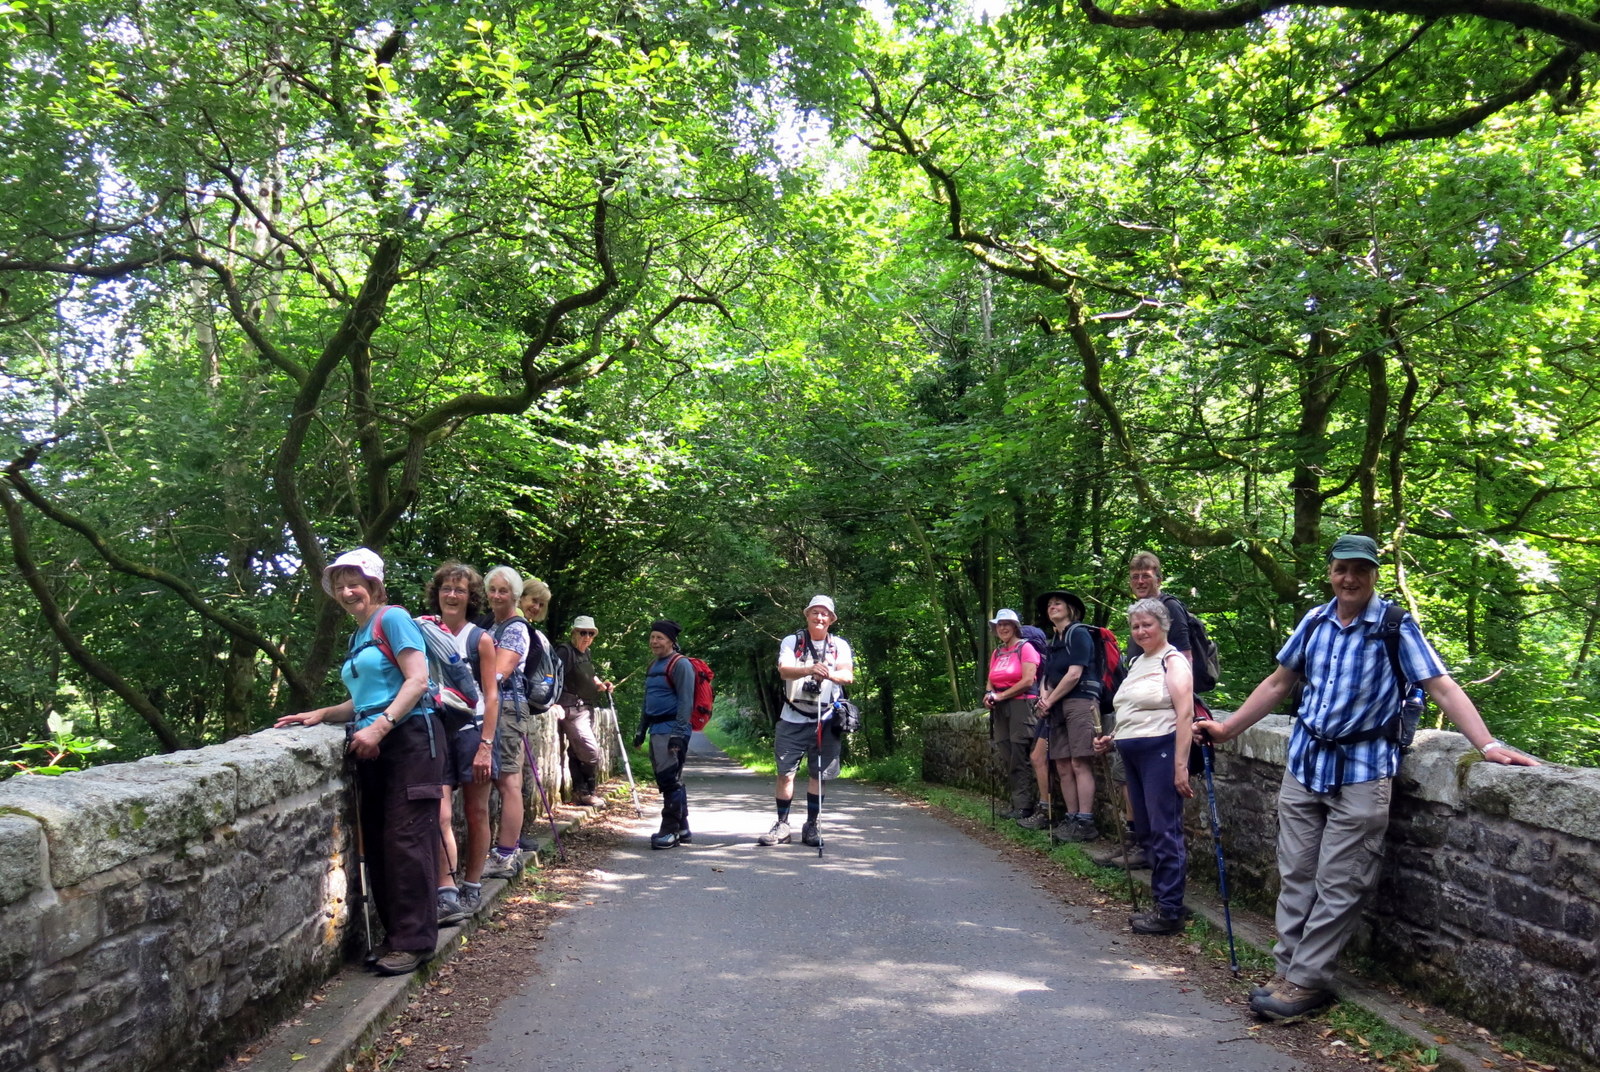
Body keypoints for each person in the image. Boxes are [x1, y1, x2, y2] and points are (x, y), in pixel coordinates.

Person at [1197, 534, 1540, 1020]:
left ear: (1375, 573)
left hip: (1363, 771)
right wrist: (1228, 729)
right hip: (1306, 765)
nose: (1350, 578)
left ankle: (1305, 983)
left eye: (1361, 569)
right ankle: (1287, 969)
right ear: (1331, 572)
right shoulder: (1315, 621)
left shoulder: (1396, 626)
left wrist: (1486, 744)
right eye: (1342, 569)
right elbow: (1278, 682)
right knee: (1296, 875)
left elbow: (1439, 685)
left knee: (1341, 882)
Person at [274, 548, 444, 976]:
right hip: (377, 741)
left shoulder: (393, 619)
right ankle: (395, 936)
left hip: (410, 740)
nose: (348, 590)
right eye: (340, 584)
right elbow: (364, 698)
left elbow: (417, 681)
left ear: (374, 584)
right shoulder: (359, 635)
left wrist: (381, 728)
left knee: (407, 841)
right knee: (382, 842)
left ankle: (415, 942)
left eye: (356, 581)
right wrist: (322, 714)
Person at [1093, 597, 1194, 935]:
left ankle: (1170, 911)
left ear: (1163, 625)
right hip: (1132, 752)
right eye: (1136, 626)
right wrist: (1112, 738)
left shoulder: (1173, 660)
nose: (1140, 630)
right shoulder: (1137, 663)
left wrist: (1181, 764)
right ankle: (1161, 904)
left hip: (1161, 751)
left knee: (1166, 830)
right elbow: (1129, 710)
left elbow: (1184, 713)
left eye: (1147, 624)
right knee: (1148, 830)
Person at [425, 563, 500, 923]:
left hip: (472, 733)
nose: (452, 595)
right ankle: (446, 891)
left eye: (460, 590)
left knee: (477, 811)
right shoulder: (423, 632)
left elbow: (492, 695)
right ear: (437, 593)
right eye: (446, 589)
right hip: (435, 731)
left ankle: (472, 884)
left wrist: (486, 744)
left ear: (471, 598)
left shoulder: (479, 639)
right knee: (440, 813)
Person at [758, 595, 855, 847]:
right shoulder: (793, 641)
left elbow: (847, 676)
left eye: (825, 614)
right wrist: (810, 669)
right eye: (815, 613)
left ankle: (812, 825)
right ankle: (782, 824)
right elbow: (784, 670)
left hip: (826, 719)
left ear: (831, 619)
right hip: (792, 717)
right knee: (785, 774)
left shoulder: (839, 645)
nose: (819, 618)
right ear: (807, 615)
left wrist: (829, 674)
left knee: (819, 775)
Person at [1029, 589, 1100, 841]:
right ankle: (1071, 818)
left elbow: (1074, 674)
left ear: (1071, 609)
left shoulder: (1078, 633)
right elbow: (1048, 676)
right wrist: (1044, 700)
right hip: (1058, 707)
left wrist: (1049, 700)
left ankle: (1085, 821)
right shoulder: (1054, 640)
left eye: (1057, 603)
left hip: (1079, 702)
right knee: (1061, 763)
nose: (1052, 606)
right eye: (1049, 604)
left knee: (1080, 761)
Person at [482, 566, 536, 878]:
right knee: (503, 780)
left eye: (504, 591)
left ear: (514, 595)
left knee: (508, 782)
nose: (497, 595)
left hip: (508, 709)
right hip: (497, 706)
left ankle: (504, 856)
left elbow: (500, 671)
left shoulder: (515, 629)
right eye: (493, 589)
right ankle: (502, 851)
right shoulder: (494, 625)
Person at [633, 619, 696, 849]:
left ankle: (669, 831)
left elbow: (685, 701)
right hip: (657, 730)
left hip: (671, 731)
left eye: (659, 637)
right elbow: (648, 701)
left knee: (670, 780)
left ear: (671, 640)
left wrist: (678, 735)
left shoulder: (680, 665)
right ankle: (683, 828)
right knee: (672, 779)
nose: (654, 642)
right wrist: (641, 730)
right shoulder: (653, 665)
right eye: (652, 637)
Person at [984, 608, 1041, 825]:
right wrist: (990, 694)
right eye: (999, 625)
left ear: (1015, 626)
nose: (1003, 628)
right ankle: (1019, 803)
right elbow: (991, 679)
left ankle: (1024, 806)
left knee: (1019, 753)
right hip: (1001, 707)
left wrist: (1000, 696)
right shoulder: (997, 652)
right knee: (1007, 753)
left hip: (1022, 704)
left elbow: (1028, 680)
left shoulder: (1025, 648)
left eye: (1007, 624)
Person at [555, 615, 611, 807]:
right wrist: (553, 702)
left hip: (586, 708)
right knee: (590, 751)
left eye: (590, 633)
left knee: (577, 752)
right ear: (574, 633)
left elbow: (589, 676)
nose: (586, 637)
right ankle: (585, 792)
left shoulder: (585, 653)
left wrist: (600, 685)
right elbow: (553, 677)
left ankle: (584, 793)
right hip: (572, 708)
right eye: (582, 632)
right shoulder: (565, 652)